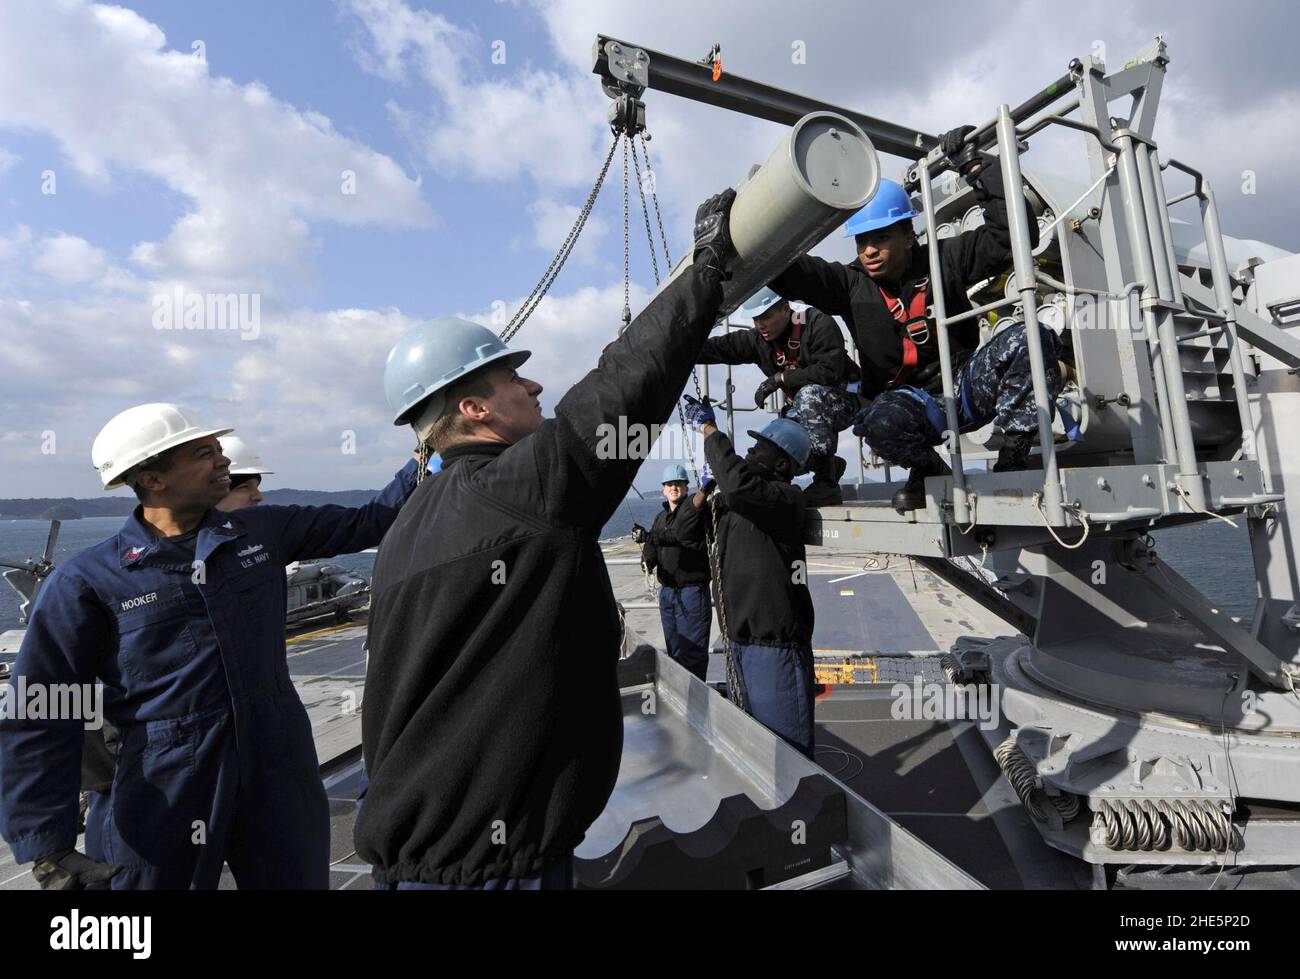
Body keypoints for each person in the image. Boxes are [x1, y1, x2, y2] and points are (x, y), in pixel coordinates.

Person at [356, 189, 736, 889]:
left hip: (426, 852)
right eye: (510, 377)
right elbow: (622, 387)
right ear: (472, 408)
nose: (532, 382)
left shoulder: (409, 523)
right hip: (488, 863)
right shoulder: (514, 491)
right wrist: (708, 266)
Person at [0, 405, 418, 889]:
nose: (223, 461)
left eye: (219, 449)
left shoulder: (260, 532)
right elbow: (42, 706)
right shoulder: (89, 581)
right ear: (152, 477)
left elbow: (372, 520)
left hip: (277, 766)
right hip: (162, 785)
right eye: (204, 453)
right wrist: (45, 842)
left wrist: (426, 450)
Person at [770, 125, 1060, 512]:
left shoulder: (944, 260)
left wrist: (975, 167)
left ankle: (1014, 455)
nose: (869, 251)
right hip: (902, 405)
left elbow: (1013, 236)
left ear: (909, 236)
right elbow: (786, 271)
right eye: (862, 241)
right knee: (878, 421)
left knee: (1031, 336)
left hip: (962, 388)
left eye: (881, 238)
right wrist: (746, 226)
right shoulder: (849, 284)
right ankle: (928, 470)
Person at [679, 400, 816, 756]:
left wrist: (710, 430)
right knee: (755, 750)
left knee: (786, 756)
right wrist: (702, 495)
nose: (752, 448)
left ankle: (799, 813)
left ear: (783, 464)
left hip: (774, 649)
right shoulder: (741, 501)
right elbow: (686, 531)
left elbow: (739, 486)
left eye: (761, 446)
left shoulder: (785, 498)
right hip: (739, 642)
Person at [697, 287, 858, 506]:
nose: (760, 324)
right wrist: (678, 349)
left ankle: (826, 482)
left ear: (785, 309)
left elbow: (829, 371)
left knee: (809, 395)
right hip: (806, 409)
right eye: (755, 319)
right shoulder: (760, 339)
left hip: (847, 399)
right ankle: (823, 467)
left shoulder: (818, 323)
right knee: (772, 448)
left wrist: (780, 379)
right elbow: (720, 348)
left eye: (765, 317)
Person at [632, 464, 712, 680]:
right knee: (675, 650)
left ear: (686, 488)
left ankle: (694, 703)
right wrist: (647, 561)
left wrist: (647, 536)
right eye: (670, 484)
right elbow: (652, 549)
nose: (674, 488)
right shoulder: (660, 518)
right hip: (668, 593)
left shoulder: (693, 511)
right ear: (664, 489)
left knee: (692, 653)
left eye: (679, 484)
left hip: (691, 592)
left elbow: (679, 534)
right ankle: (681, 699)